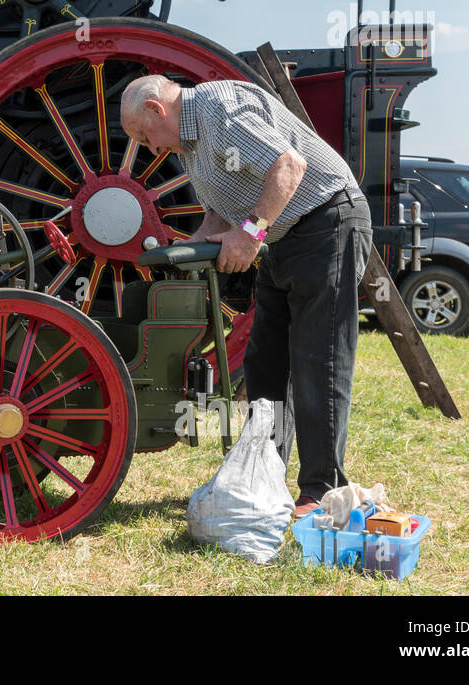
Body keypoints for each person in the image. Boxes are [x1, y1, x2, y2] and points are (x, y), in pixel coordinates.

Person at [119, 75, 372, 517]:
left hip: (328, 222)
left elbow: (289, 165)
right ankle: (264, 478)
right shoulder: (194, 145)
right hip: (286, 233)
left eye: (145, 136)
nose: (153, 149)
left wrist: (252, 232)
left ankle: (322, 492)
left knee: (320, 361)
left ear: (158, 110)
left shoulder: (219, 112)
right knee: (265, 363)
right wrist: (184, 251)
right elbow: (221, 210)